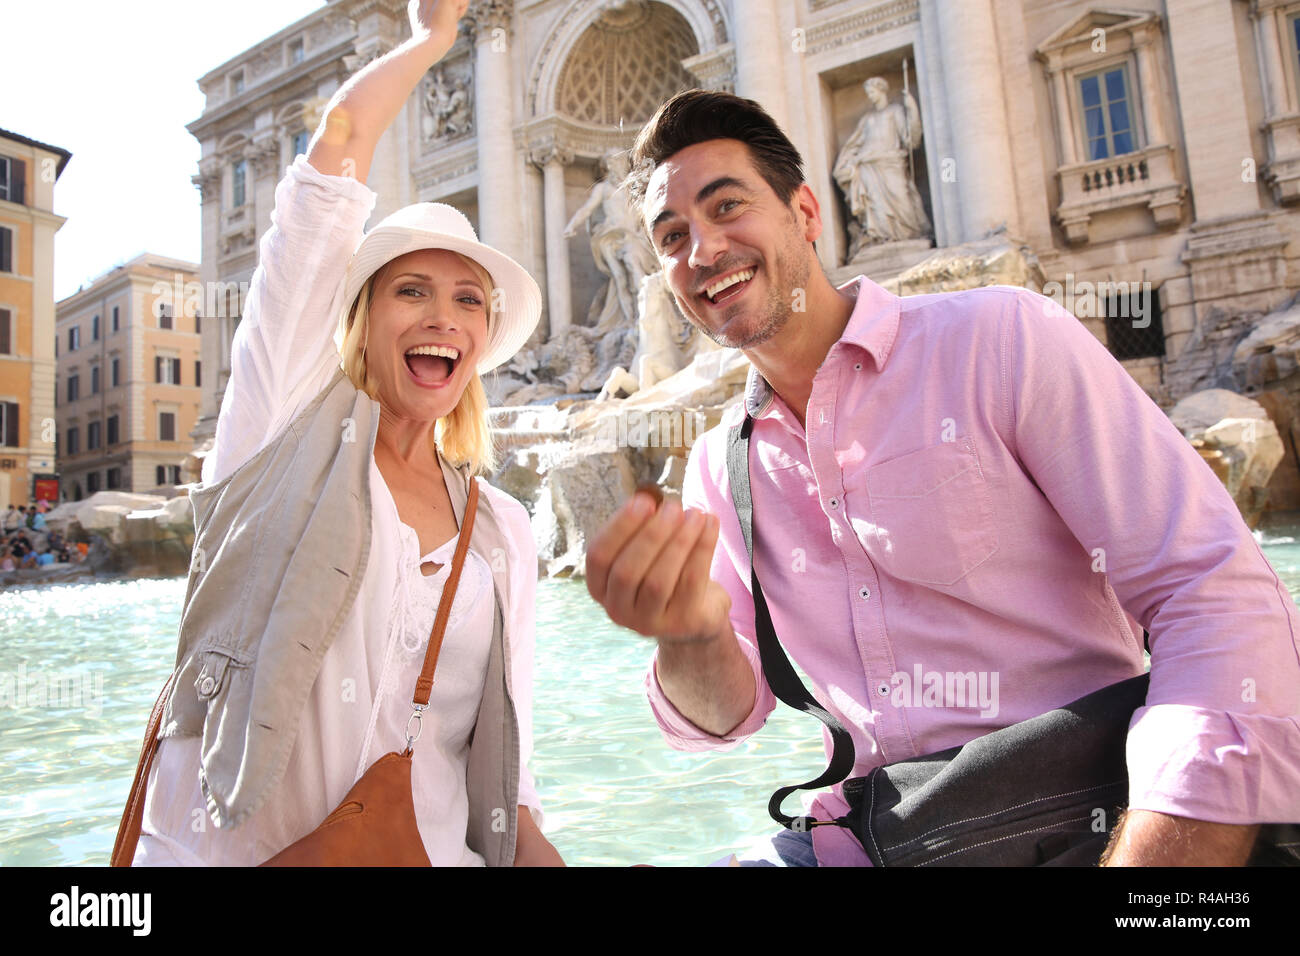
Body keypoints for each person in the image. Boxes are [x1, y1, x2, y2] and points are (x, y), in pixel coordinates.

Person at [585, 89, 1300, 867]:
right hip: (879, 835)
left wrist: (1164, 856)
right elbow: (722, 720)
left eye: (728, 207)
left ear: (805, 212)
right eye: (672, 236)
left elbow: (1211, 588)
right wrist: (686, 634)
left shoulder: (1002, 341)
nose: (704, 248)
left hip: (1087, 819)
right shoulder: (721, 467)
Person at [133, 0, 562, 866]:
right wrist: (430, 42)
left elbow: (507, 782)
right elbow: (328, 165)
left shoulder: (505, 533)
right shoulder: (277, 435)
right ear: (362, 319)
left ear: (482, 339)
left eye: (468, 300)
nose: (443, 317)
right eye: (412, 291)